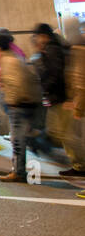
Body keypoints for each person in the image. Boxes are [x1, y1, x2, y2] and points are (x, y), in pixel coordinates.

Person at [0, 28, 40, 182]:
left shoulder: (7, 59)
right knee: (20, 138)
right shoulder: (15, 55)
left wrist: (11, 102)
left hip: (17, 104)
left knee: (18, 140)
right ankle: (19, 170)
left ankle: (19, 172)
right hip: (22, 104)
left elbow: (15, 84)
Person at [30, 22, 69, 162]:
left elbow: (54, 73)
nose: (36, 40)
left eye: (37, 36)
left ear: (43, 36)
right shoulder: (53, 47)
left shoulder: (52, 49)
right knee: (56, 128)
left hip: (57, 95)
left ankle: (37, 143)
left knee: (59, 130)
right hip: (57, 95)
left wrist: (46, 88)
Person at [60, 17, 85, 177]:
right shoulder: (76, 46)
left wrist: (78, 107)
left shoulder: (78, 48)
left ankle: (80, 167)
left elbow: (80, 80)